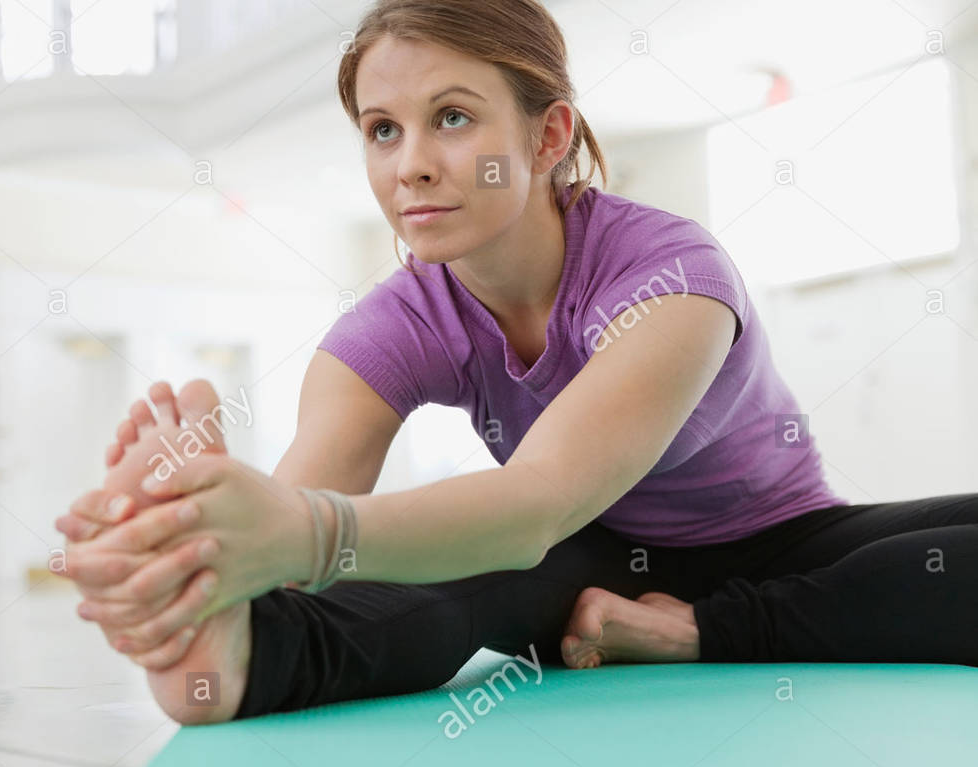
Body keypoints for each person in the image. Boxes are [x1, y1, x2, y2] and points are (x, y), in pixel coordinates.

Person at [53, 0, 978, 726]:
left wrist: (299, 526)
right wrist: (203, 550)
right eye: (383, 129)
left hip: (782, 549)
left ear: (546, 139)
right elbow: (310, 539)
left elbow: (537, 498)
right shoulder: (388, 328)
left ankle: (702, 634)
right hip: (590, 565)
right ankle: (247, 661)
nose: (409, 165)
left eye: (450, 118)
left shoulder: (672, 278)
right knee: (469, 565)